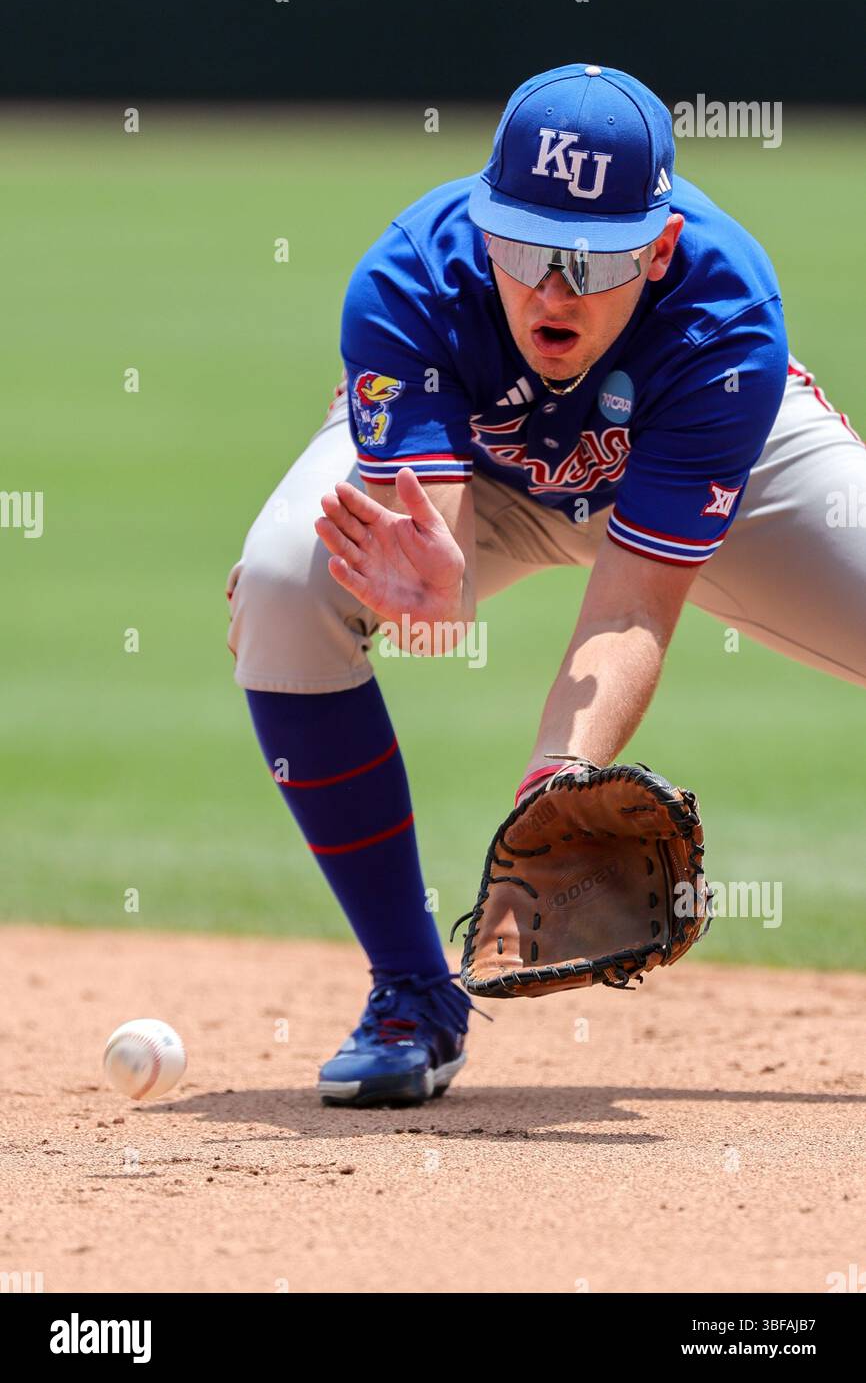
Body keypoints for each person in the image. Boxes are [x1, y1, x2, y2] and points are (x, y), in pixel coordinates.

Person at [226, 64, 865, 1108]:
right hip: (486, 475)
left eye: (590, 256)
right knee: (283, 582)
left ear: (656, 248)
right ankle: (409, 993)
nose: (550, 288)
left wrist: (550, 792)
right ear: (482, 224)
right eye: (519, 246)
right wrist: (432, 576)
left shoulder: (720, 311)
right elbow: (429, 530)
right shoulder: (407, 280)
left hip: (701, 454)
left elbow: (627, 607)